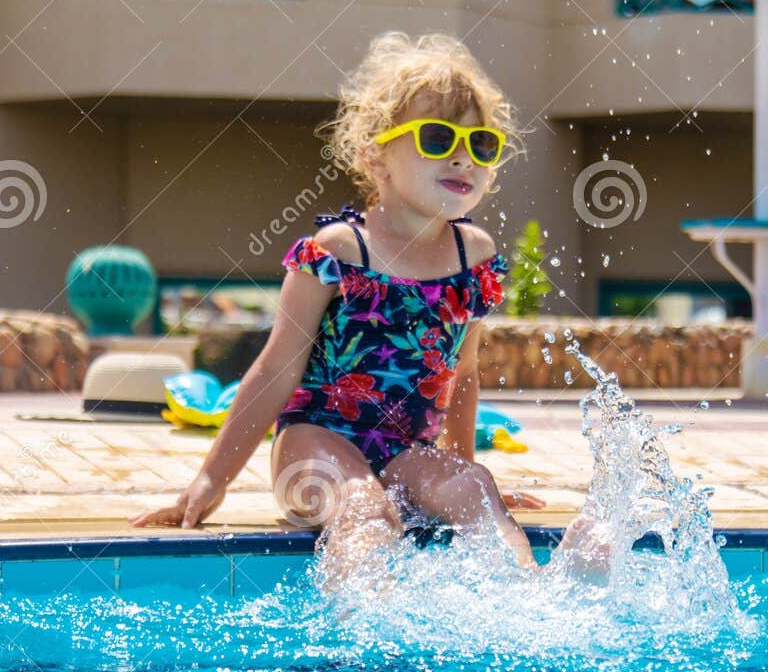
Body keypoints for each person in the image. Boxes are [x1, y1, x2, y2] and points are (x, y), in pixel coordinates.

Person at [133, 32, 554, 587]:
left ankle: (529, 617)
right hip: (315, 443)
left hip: (407, 451)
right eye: (437, 137)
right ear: (375, 155)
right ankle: (360, 655)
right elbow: (276, 369)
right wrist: (212, 480)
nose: (462, 156)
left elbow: (464, 373)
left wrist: (463, 468)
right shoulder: (338, 251)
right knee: (364, 509)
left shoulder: (473, 256)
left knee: (477, 493)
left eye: (482, 144)